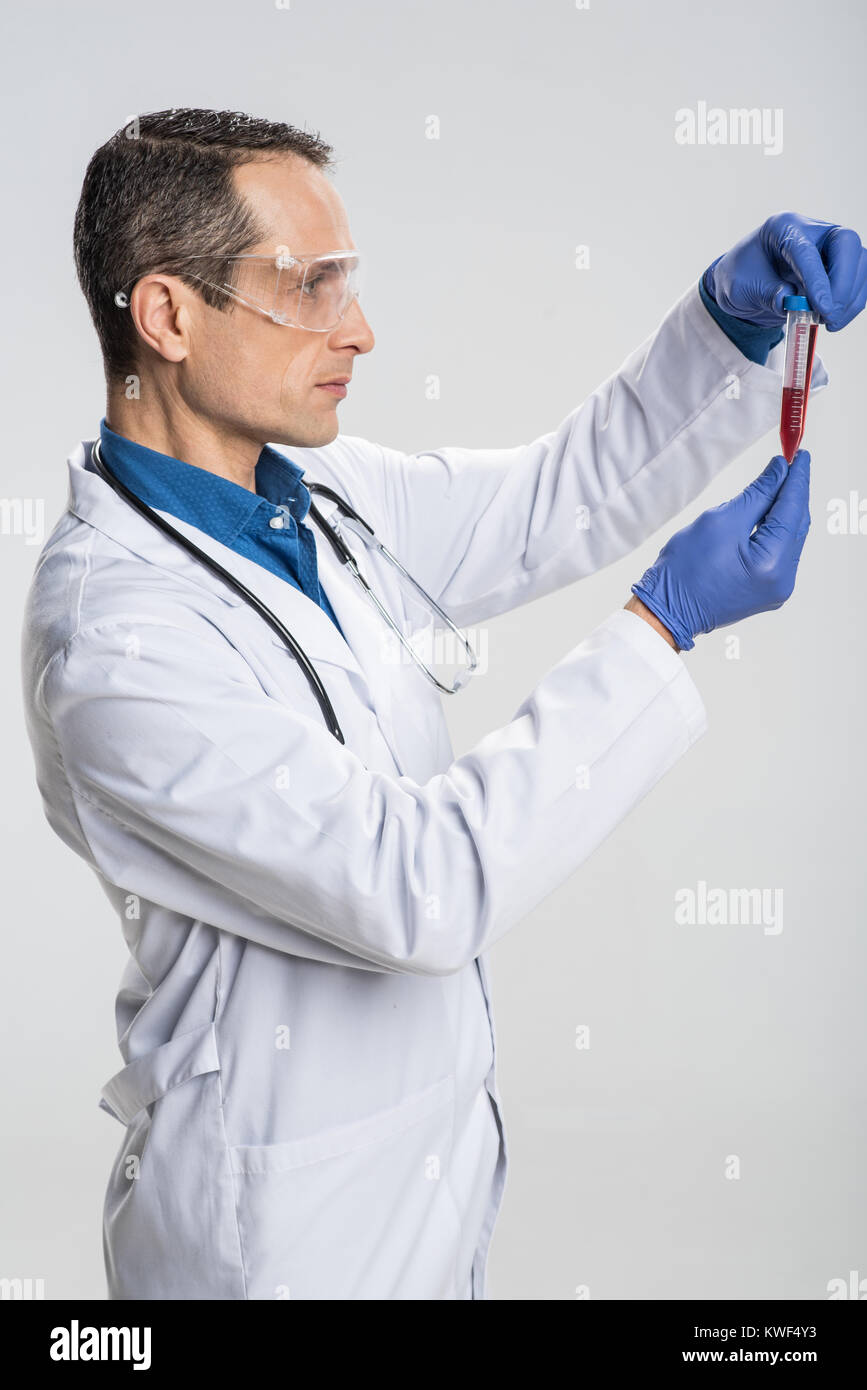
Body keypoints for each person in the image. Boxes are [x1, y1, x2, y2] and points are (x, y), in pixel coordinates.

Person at [20, 108, 866, 1300]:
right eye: (309, 285)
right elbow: (416, 883)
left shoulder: (313, 492)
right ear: (165, 316)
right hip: (275, 1248)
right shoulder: (115, 643)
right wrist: (662, 624)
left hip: (422, 1192)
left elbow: (541, 504)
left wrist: (724, 329)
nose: (358, 330)